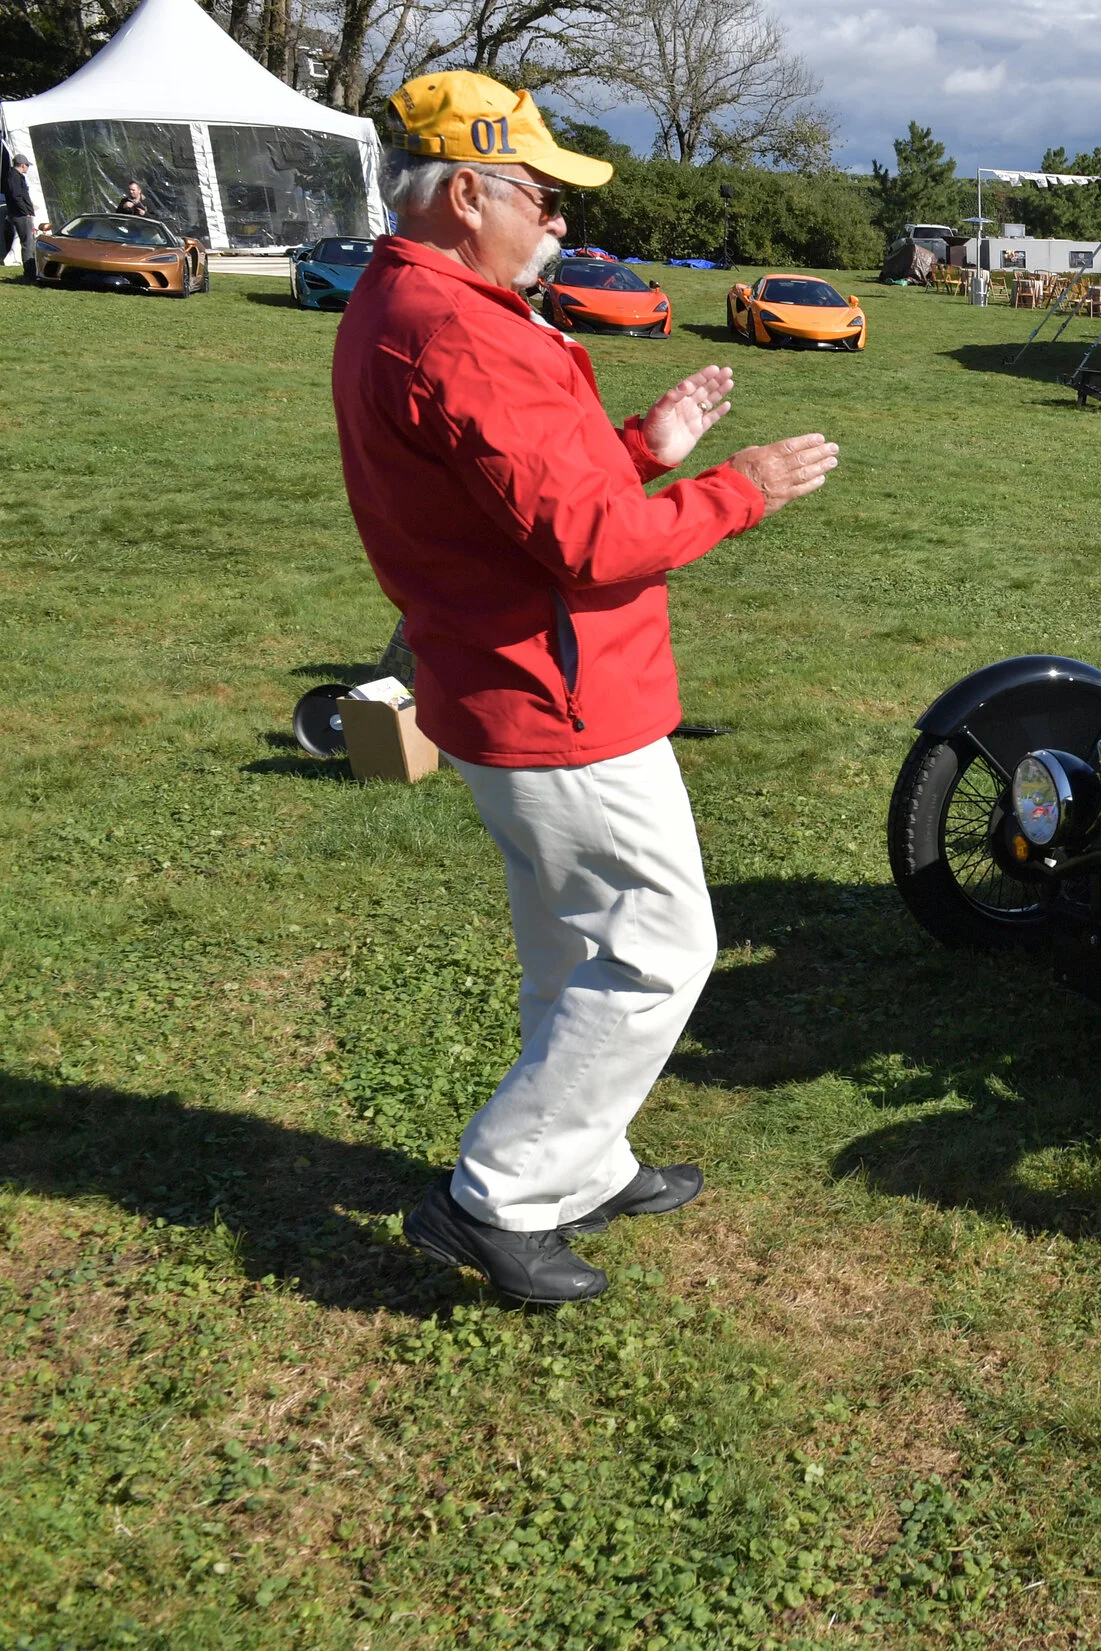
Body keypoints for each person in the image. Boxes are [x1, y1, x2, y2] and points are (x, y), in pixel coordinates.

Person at [333, 71, 839, 1303]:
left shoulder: (424, 304)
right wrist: (742, 486)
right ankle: (497, 1196)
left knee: (574, 943)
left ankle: (583, 1162)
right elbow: (594, 546)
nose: (562, 223)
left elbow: (533, 501)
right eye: (544, 198)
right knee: (660, 951)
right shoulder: (457, 327)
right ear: (466, 195)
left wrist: (644, 448)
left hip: (515, 678)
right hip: (555, 699)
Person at [4, 156, 35, 278]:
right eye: (27, 165)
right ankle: (29, 272)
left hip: (21, 214)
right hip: (20, 215)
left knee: (29, 242)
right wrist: (25, 212)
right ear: (22, 165)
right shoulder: (14, 177)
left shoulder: (16, 176)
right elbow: (16, 196)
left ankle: (31, 270)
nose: (27, 168)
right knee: (27, 243)